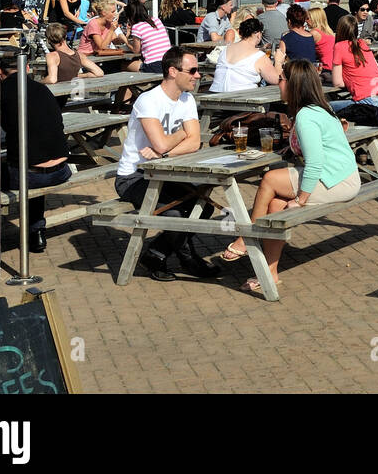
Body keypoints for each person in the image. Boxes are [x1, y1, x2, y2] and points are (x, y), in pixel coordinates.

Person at [219, 59, 359, 292]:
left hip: (337, 180)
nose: (278, 83)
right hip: (339, 176)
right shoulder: (316, 109)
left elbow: (315, 162)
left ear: (294, 85)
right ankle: (269, 274)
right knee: (274, 205)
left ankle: (246, 237)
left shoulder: (307, 116)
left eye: (281, 79)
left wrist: (300, 199)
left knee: (270, 179)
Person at [114, 48, 218, 281]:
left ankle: (156, 253)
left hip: (164, 170)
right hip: (134, 176)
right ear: (173, 71)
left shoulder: (187, 98)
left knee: (203, 205)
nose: (198, 75)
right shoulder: (148, 100)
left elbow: (194, 143)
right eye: (192, 70)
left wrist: (164, 154)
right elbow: (165, 142)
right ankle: (184, 257)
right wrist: (181, 133)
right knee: (176, 214)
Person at [0, 49, 72, 254]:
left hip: (32, 175)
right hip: (62, 169)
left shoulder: (2, 93)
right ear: (27, 67)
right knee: (30, 163)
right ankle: (36, 233)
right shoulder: (42, 89)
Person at [330, 15, 378, 113]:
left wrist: (352, 81)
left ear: (339, 30)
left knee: (323, 108)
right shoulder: (362, 43)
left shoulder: (339, 46)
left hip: (367, 102)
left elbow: (337, 82)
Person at [211, 17, 283, 92]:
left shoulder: (225, 50)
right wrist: (278, 62)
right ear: (258, 34)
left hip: (215, 93)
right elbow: (276, 80)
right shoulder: (259, 56)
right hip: (241, 98)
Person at [126, 0, 172, 74]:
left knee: (124, 65)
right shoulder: (156, 21)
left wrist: (126, 41)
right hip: (170, 62)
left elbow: (136, 51)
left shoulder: (136, 27)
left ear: (130, 16)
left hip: (154, 65)